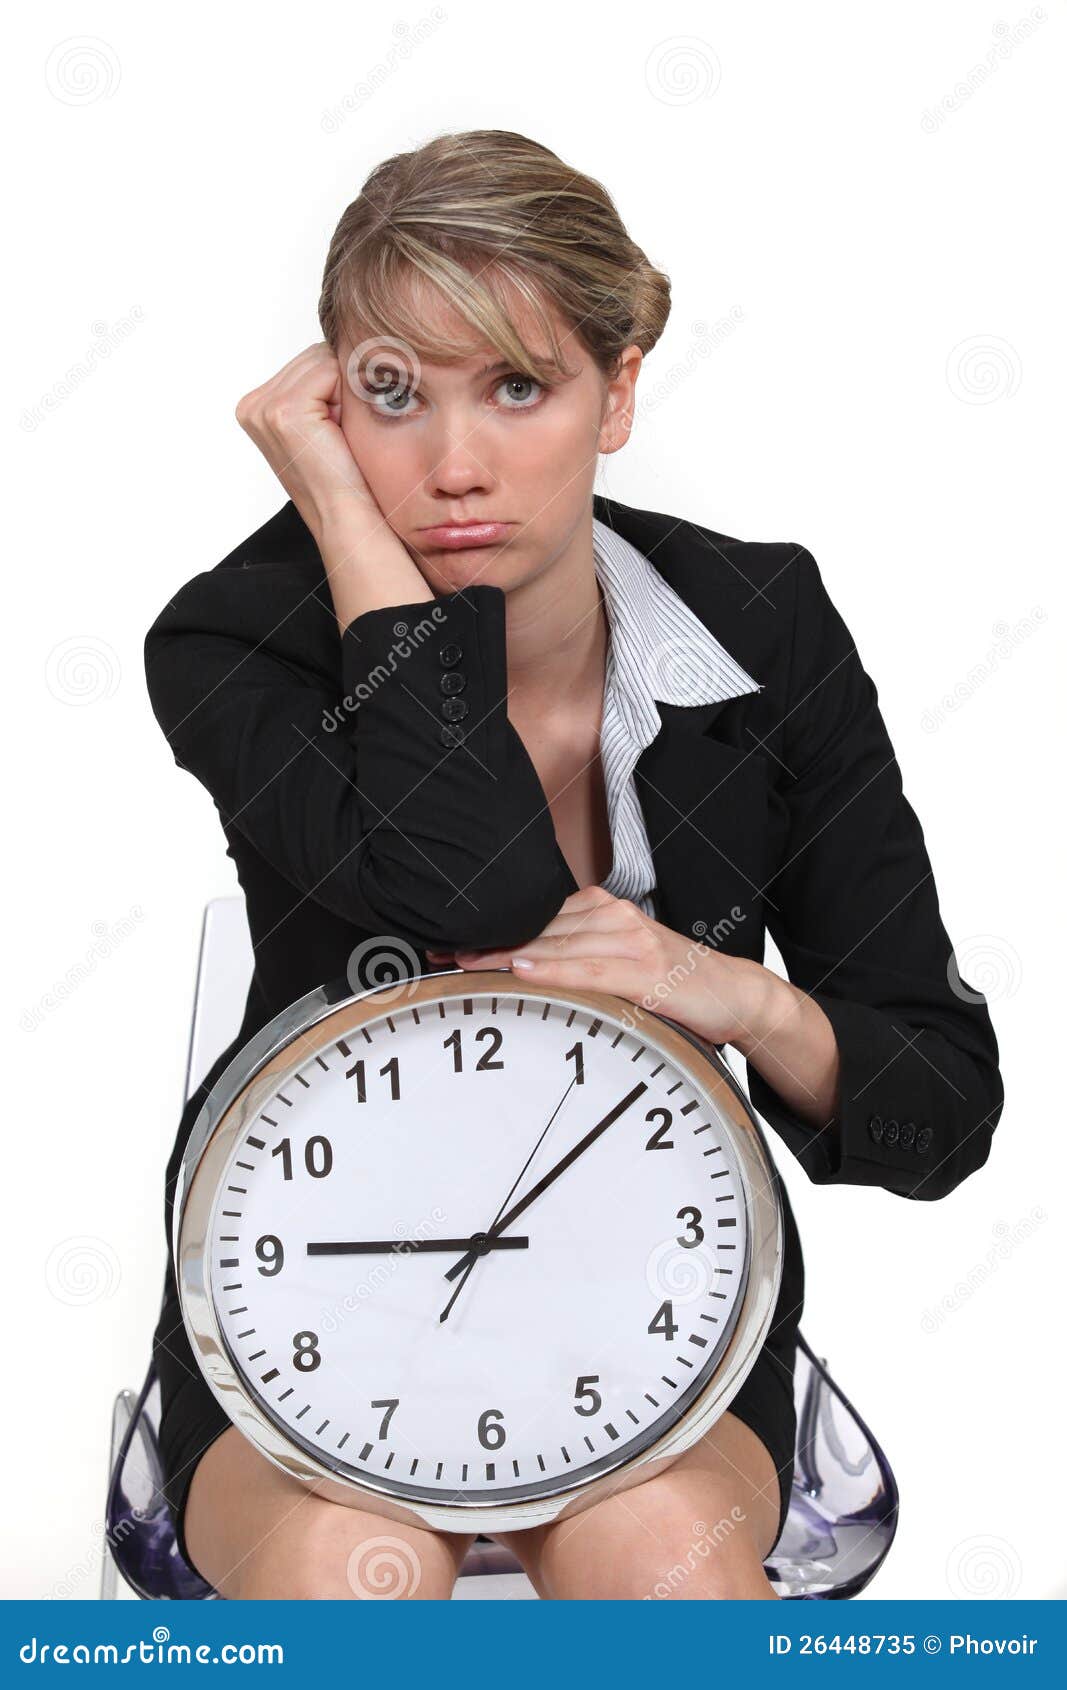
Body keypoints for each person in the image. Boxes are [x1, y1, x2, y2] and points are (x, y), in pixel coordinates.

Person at [143, 128, 1004, 1600]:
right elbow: (475, 888)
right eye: (393, 396)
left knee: (661, 1562)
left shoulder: (762, 623)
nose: (453, 467)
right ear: (327, 408)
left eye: (519, 386)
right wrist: (343, 518)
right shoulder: (236, 641)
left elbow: (941, 1109)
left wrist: (717, 989)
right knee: (357, 1570)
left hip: (659, 1283)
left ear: (621, 390)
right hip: (315, 1268)